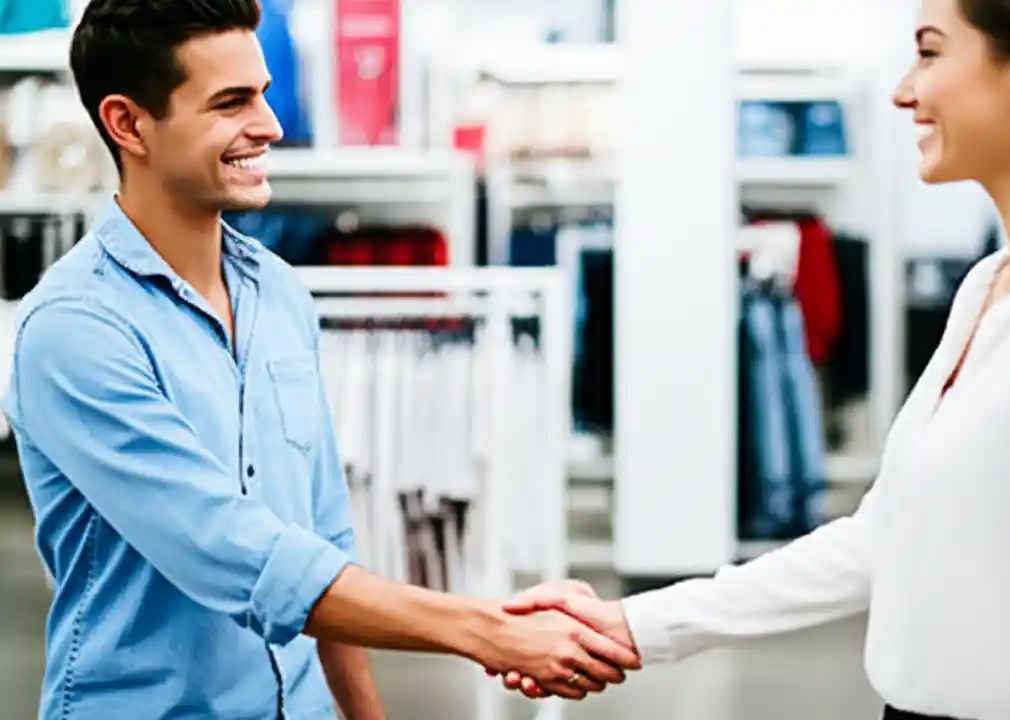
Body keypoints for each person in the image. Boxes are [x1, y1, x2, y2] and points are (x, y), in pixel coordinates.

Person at [498, 1, 1010, 718]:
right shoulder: (994, 286)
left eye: (929, 51)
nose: (903, 90)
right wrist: (636, 625)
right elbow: (886, 535)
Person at [1, 2, 636, 718]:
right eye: (230, 103)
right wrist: (486, 631)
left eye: (264, 94)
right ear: (128, 123)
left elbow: (323, 541)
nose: (271, 126)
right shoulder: (77, 331)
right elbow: (233, 552)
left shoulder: (278, 295)